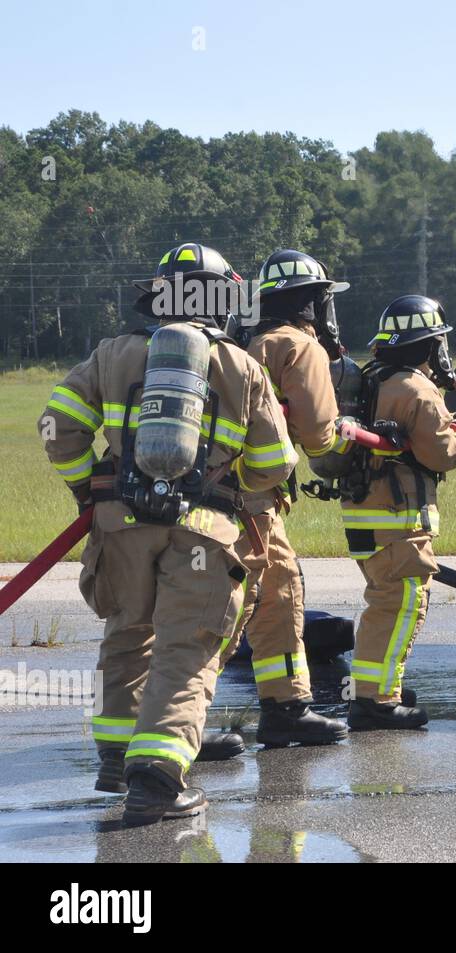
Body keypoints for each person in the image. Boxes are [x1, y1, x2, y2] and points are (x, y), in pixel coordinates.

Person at [40, 242, 297, 826]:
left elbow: (56, 427)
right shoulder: (239, 363)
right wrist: (234, 480)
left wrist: (89, 488)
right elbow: (275, 462)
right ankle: (157, 781)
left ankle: (117, 758)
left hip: (121, 528)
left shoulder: (112, 353)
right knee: (187, 649)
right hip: (203, 533)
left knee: (127, 634)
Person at [311, 295, 456, 730]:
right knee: (400, 606)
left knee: (387, 602)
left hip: (368, 520)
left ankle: (378, 689)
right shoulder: (415, 388)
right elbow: (441, 452)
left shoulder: (374, 379)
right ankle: (374, 703)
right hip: (399, 522)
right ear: (428, 345)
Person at [214, 249, 350, 748]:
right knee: (251, 597)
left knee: (272, 595)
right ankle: (181, 717)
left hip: (223, 491)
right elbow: (318, 437)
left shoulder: (245, 346)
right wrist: (348, 434)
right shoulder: (300, 347)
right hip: (252, 498)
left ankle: (285, 707)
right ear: (312, 303)